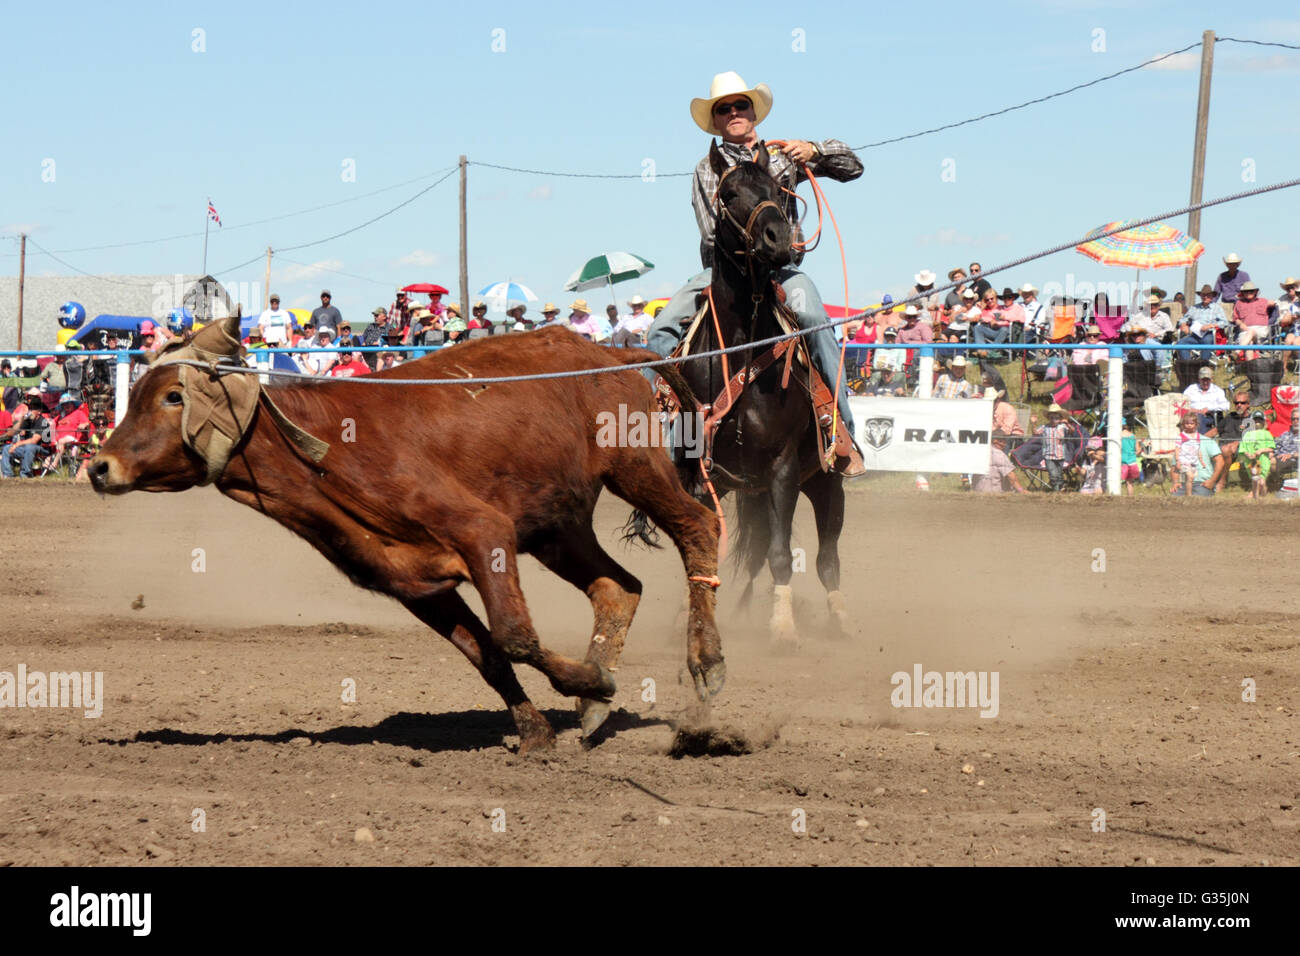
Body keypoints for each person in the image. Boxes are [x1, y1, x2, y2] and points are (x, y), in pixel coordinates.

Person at [644, 70, 866, 476]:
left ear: (753, 111)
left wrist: (814, 149)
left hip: (781, 272)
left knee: (815, 320)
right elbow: (712, 233)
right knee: (660, 329)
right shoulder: (706, 169)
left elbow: (853, 167)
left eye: (740, 105)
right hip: (722, 276)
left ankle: (840, 432)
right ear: (715, 121)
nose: (733, 113)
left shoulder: (784, 158)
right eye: (723, 109)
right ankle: (650, 437)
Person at [1, 399, 51, 478]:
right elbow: (12, 432)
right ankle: (7, 474)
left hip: (43, 448)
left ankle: (25, 474)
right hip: (27, 448)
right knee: (7, 448)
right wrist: (21, 420)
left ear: (39, 411)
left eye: (32, 409)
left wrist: (16, 444)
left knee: (30, 447)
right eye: (29, 409)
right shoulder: (28, 421)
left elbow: (34, 441)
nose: (30, 411)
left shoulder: (43, 422)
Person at [1215, 390, 1251, 491]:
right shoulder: (1230, 416)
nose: (1239, 405)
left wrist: (1237, 442)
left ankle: (1222, 481)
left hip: (1239, 447)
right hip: (1222, 445)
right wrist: (1198, 438)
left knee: (1227, 449)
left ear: (1248, 404)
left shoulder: (1251, 420)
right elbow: (1216, 430)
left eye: (1242, 403)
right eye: (1236, 403)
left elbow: (1249, 436)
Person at [1177, 284, 1225, 360]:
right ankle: (1188, 365)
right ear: (1200, 296)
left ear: (1212, 296)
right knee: (1180, 343)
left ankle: (1203, 365)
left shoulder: (1217, 308)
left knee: (1207, 341)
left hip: (1208, 334)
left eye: (1208, 295)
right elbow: (1183, 319)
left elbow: (1224, 322)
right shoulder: (1194, 308)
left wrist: (1210, 326)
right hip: (1194, 335)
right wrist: (1183, 325)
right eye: (1203, 295)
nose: (1205, 297)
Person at [1238, 410, 1275, 499]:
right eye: (1255, 420)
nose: (1257, 422)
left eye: (1260, 420)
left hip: (1263, 462)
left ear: (1264, 421)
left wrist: (1261, 450)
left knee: (1262, 482)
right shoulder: (1247, 434)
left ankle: (1263, 497)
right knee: (1255, 480)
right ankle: (1256, 498)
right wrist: (1248, 454)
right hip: (1251, 462)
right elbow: (1242, 448)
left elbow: (1271, 447)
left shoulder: (1267, 434)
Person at [1182, 365, 1229, 432]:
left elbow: (1226, 405)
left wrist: (1209, 408)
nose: (1205, 382)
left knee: (1199, 419)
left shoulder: (1217, 390)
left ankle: (1200, 440)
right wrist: (1195, 411)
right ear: (1199, 379)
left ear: (1211, 379)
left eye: (1207, 380)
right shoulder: (1191, 389)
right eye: (1203, 380)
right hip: (1191, 414)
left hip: (1207, 416)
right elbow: (1182, 402)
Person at [1034, 403, 1069, 492]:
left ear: (1060, 419)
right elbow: (1035, 433)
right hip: (1048, 455)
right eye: (1051, 418)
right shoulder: (1044, 427)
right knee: (1053, 474)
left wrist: (1068, 424)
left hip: (1060, 455)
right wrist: (1033, 424)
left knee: (1059, 473)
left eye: (1056, 418)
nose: (1054, 420)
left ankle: (1060, 487)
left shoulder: (1063, 427)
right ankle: (1056, 490)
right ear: (1048, 418)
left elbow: (1072, 431)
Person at [50, 392, 89, 467]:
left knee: (61, 441)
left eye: (69, 403)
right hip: (58, 440)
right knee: (50, 444)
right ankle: (45, 469)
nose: (67, 406)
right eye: (64, 404)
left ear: (73, 404)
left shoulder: (78, 413)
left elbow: (87, 423)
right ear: (62, 406)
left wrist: (83, 425)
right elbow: (51, 423)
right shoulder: (60, 416)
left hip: (73, 437)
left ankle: (55, 463)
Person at [866, 328, 906, 394]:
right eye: (888, 336)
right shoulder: (880, 347)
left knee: (900, 375)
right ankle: (871, 392)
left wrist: (889, 368)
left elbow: (901, 365)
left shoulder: (901, 348)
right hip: (881, 370)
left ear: (895, 337)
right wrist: (886, 367)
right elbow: (876, 364)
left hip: (895, 371)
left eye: (892, 336)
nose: (890, 338)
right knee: (875, 375)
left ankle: (898, 392)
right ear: (884, 337)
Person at [1120, 419, 1144, 496]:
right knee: (1129, 483)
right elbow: (1138, 450)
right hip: (1132, 462)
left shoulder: (1118, 436)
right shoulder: (1133, 436)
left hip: (1122, 462)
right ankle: (1130, 498)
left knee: (1117, 481)